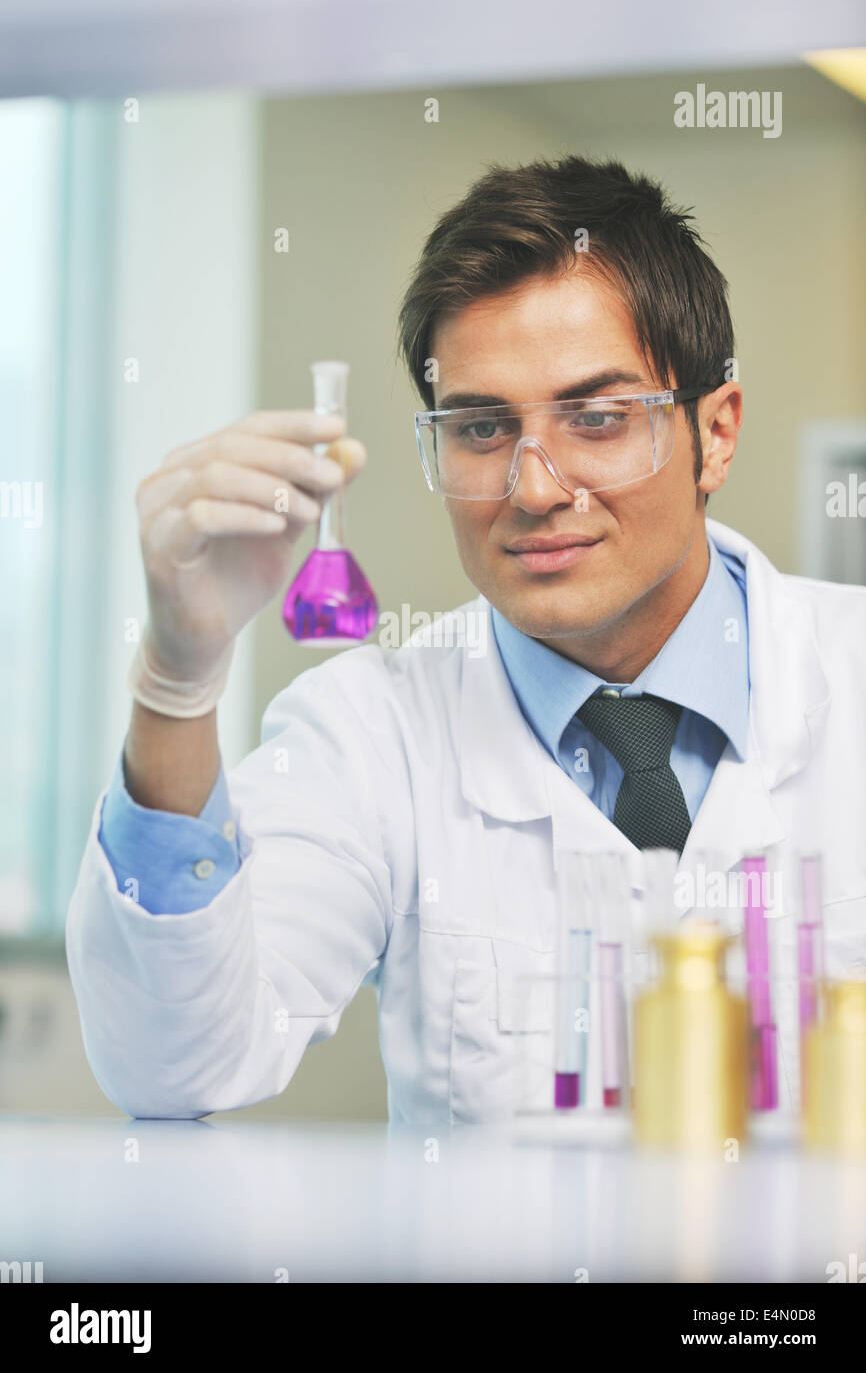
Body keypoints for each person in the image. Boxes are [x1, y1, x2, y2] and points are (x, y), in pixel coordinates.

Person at [66, 156, 866, 1123]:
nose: (533, 488)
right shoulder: (372, 734)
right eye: (482, 428)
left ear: (718, 434)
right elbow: (175, 1063)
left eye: (599, 418)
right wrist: (177, 679)